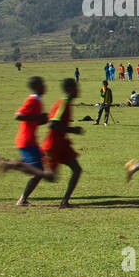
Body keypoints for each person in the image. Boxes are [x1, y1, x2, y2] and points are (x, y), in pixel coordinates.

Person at [2, 77, 55, 203]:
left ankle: (22, 199)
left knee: (38, 170)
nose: (45, 87)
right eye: (42, 84)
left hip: (30, 140)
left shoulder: (38, 101)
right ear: (36, 87)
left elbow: (34, 121)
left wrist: (47, 119)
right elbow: (18, 116)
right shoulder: (32, 100)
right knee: (38, 171)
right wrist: (38, 117)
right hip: (26, 140)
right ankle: (11, 166)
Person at [38, 78, 83, 208]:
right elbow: (52, 124)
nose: (78, 90)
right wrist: (72, 130)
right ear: (69, 89)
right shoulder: (63, 103)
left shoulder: (66, 103)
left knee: (77, 169)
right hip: (53, 144)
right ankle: (18, 165)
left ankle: (64, 202)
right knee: (50, 177)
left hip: (62, 144)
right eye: (76, 88)